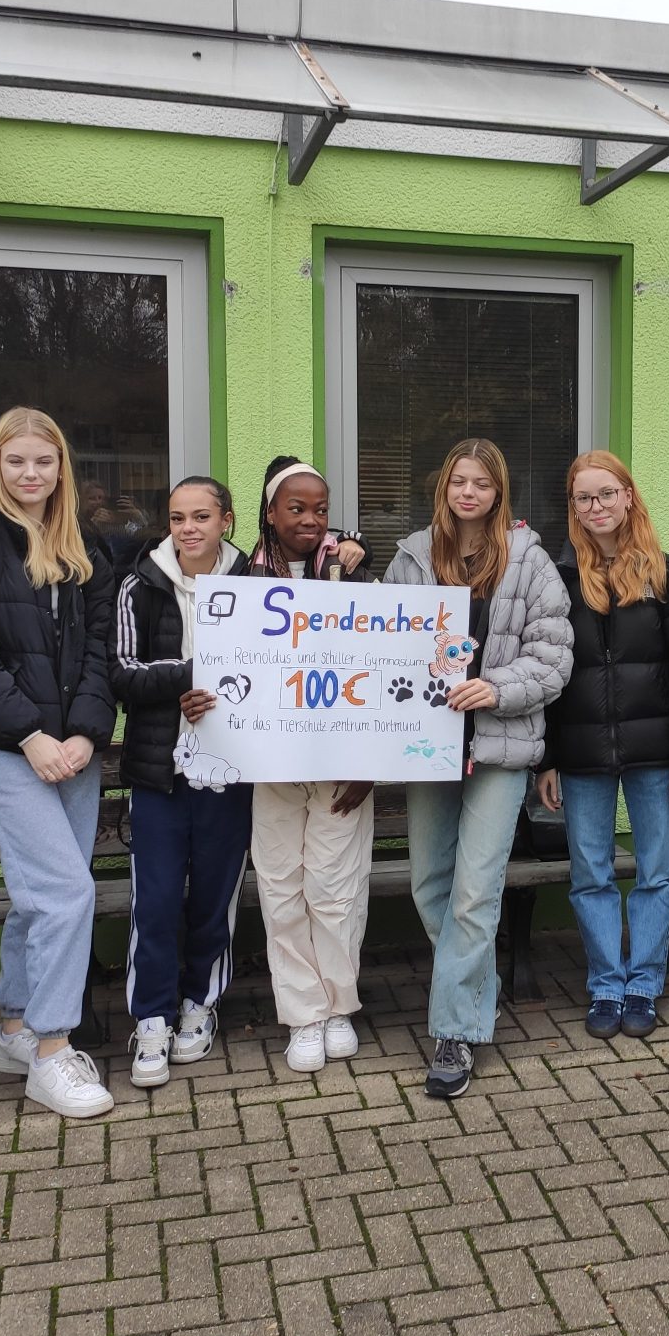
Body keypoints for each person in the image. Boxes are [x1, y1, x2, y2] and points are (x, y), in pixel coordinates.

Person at [0, 407, 119, 1120]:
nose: (30, 473)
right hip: (10, 750)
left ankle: (14, 1026)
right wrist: (29, 736)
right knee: (67, 894)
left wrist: (87, 734)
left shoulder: (82, 546)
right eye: (16, 461)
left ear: (61, 466)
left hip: (75, 751)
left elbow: (101, 651)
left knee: (40, 896)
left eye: (43, 461)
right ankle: (52, 1049)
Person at [385, 439, 573, 1099]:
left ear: (499, 492)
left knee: (474, 893)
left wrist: (495, 688)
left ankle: (455, 1033)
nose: (469, 493)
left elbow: (554, 658)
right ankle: (473, 991)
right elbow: (381, 646)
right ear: (444, 487)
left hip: (499, 745)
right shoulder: (412, 557)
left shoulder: (529, 560)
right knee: (429, 886)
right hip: (428, 745)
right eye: (459, 482)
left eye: (482, 484)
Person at [537, 451, 669, 1040]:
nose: (596, 506)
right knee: (590, 874)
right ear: (573, 507)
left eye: (606, 494)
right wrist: (546, 758)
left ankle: (643, 982)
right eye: (583, 498)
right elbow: (544, 671)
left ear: (628, 497)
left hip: (657, 754)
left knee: (657, 873)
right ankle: (605, 985)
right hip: (580, 754)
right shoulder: (556, 578)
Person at [111, 475, 255, 1089]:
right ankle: (151, 1018)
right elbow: (123, 673)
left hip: (228, 773)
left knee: (213, 902)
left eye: (201, 516)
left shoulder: (255, 583)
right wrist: (193, 678)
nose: (188, 528)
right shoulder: (140, 583)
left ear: (226, 520)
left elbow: (269, 670)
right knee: (157, 901)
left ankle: (199, 1003)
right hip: (157, 773)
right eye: (177, 518)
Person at [244, 456, 380, 1074]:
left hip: (341, 766)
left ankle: (338, 1006)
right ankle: (302, 1015)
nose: (310, 519)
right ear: (271, 512)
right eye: (296, 508)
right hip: (273, 766)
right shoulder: (241, 578)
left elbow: (381, 666)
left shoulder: (355, 573)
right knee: (282, 890)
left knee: (336, 889)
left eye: (320, 509)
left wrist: (369, 761)